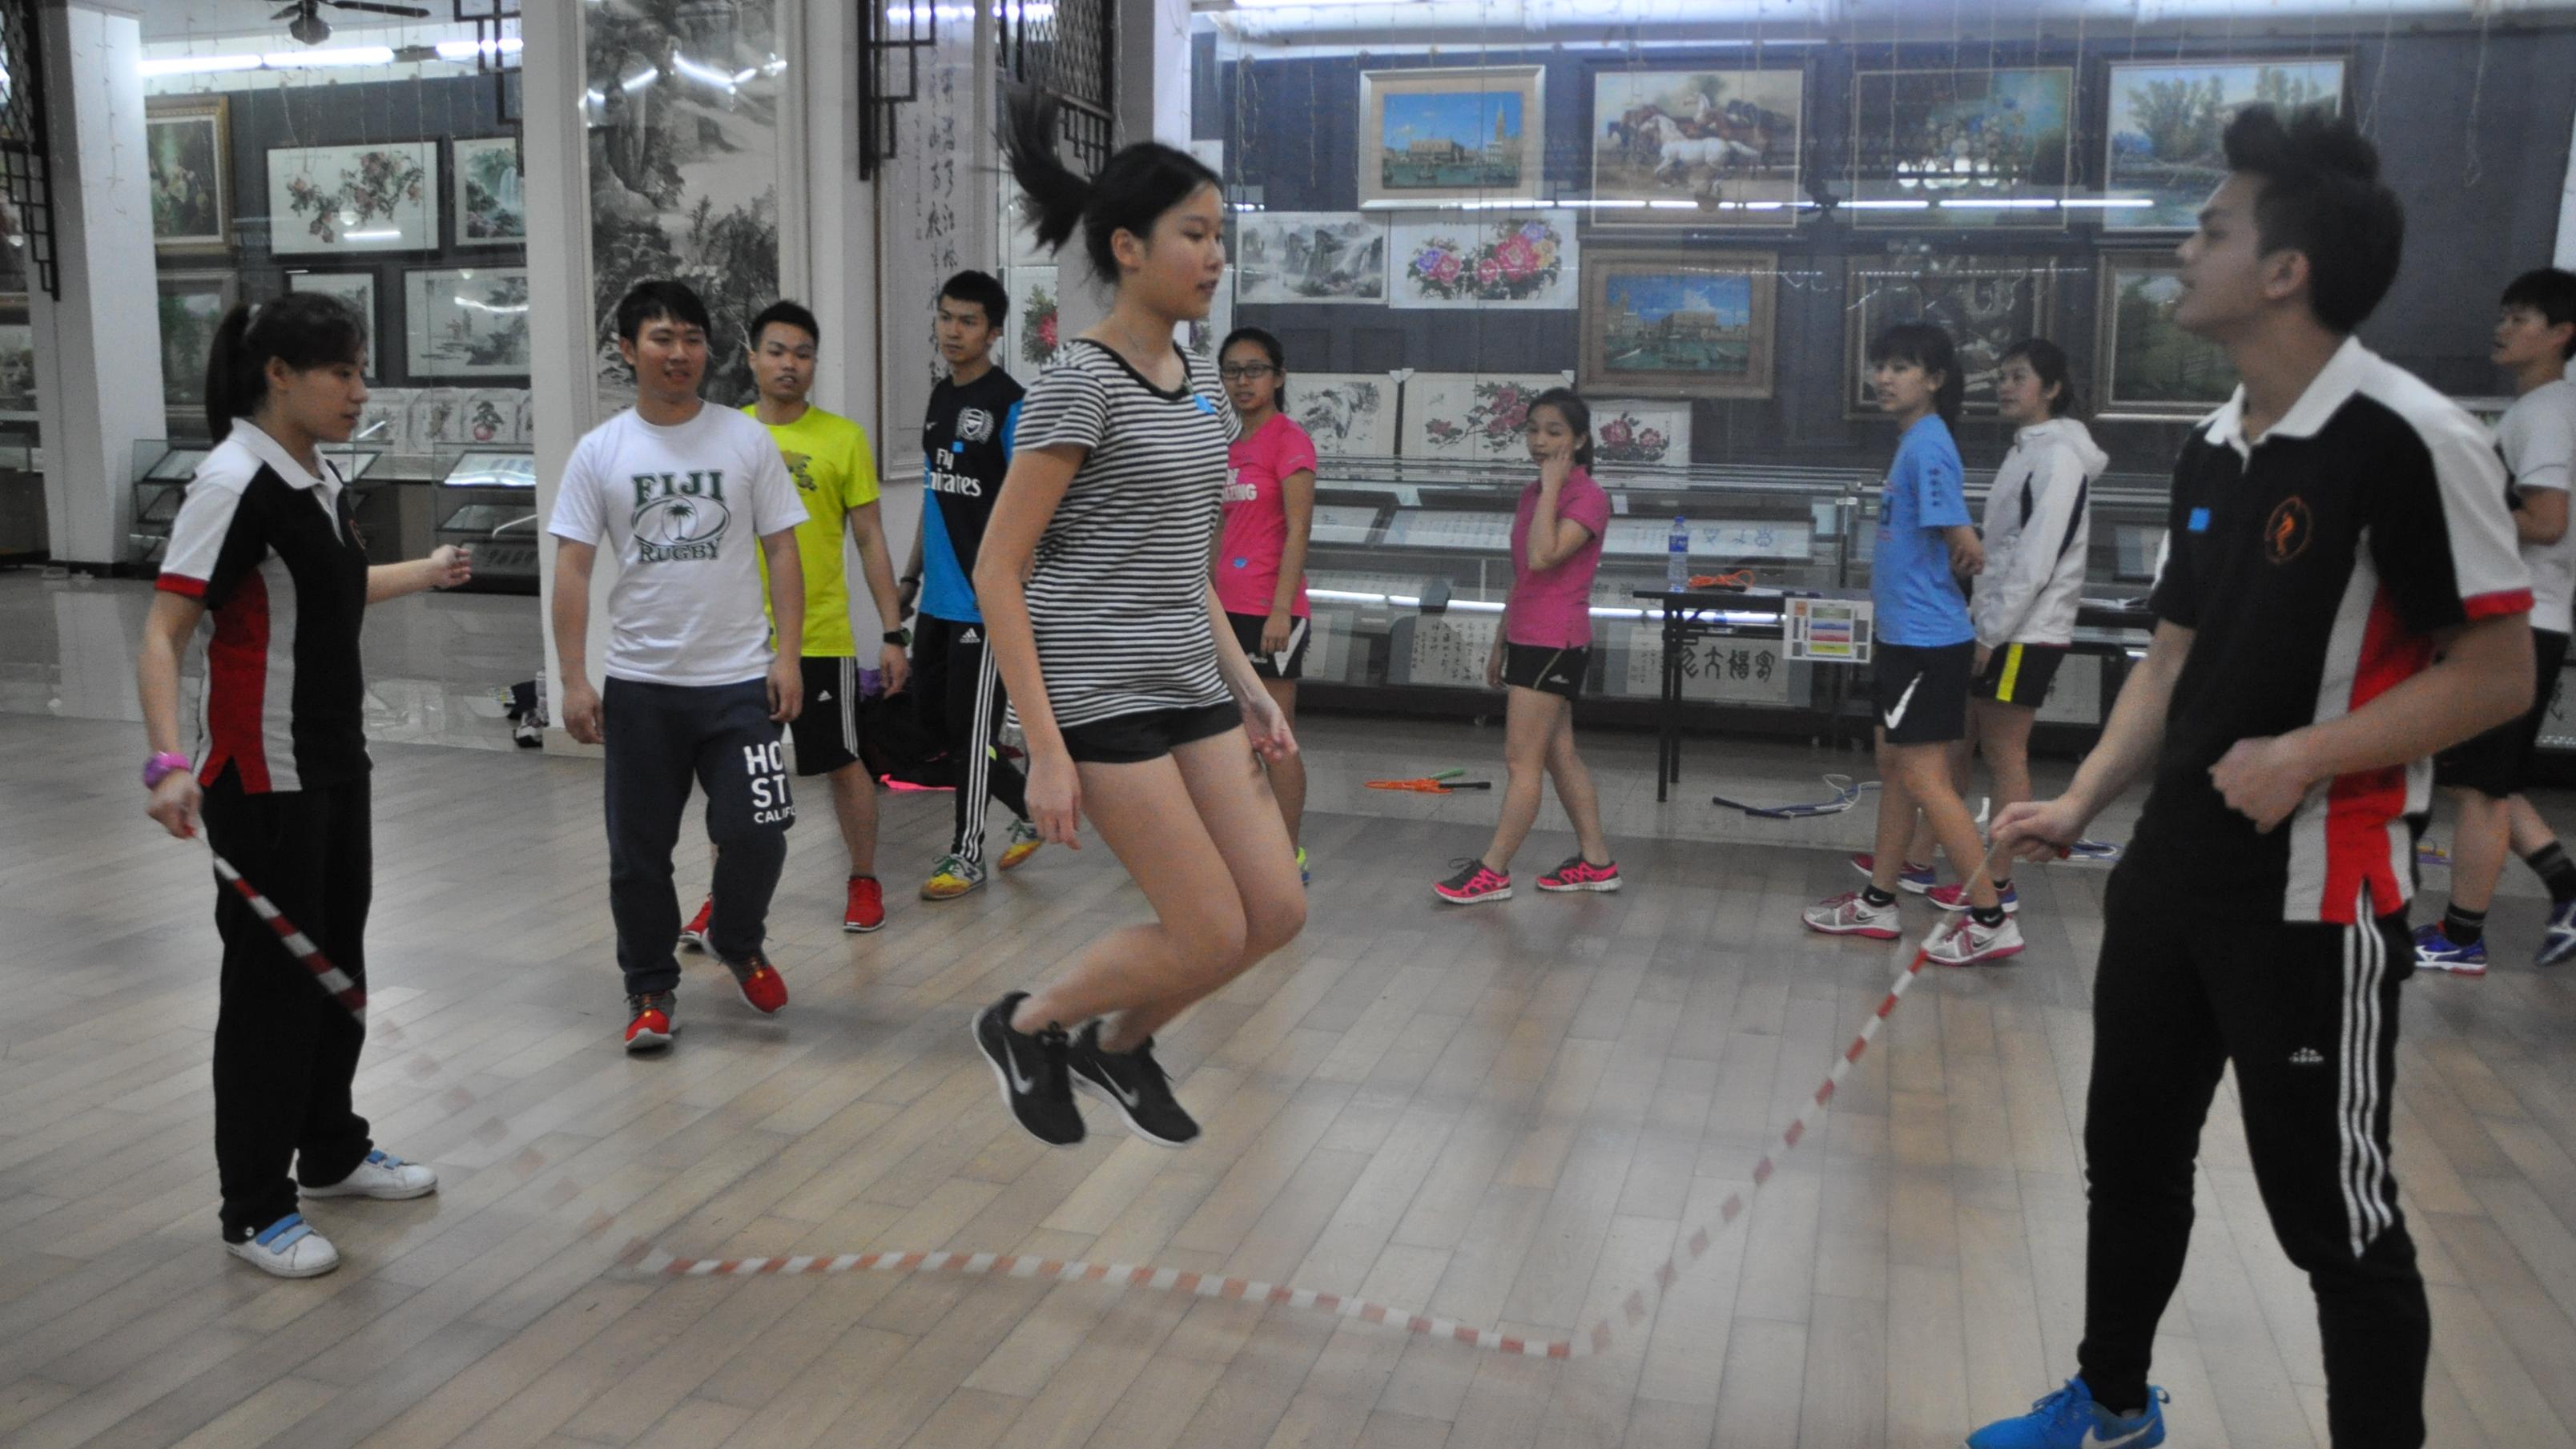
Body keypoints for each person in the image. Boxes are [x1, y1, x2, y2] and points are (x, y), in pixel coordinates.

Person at [1974, 107, 2532, 1449]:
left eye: (2213, 227)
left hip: (2314, 891)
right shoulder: (2215, 445)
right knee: (2130, 1156)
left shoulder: (2416, 438)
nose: (2186, 244)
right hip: (2171, 870)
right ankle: (2111, 1403)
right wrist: (2085, 794)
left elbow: (2499, 672)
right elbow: (2170, 663)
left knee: (2330, 1215)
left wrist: (2307, 754)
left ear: (2286, 269)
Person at [971, 93, 1306, 1150]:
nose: (1213, 258)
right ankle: (1026, 1025)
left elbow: (1181, 563)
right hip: (1098, 693)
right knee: (1209, 926)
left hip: (1189, 680)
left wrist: (1247, 684)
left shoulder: (1199, 377)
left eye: (1219, 237)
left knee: (1276, 912)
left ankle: (1115, 1048)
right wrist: (1046, 749)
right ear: (1129, 247)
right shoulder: (1080, 380)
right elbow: (999, 567)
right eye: (1193, 236)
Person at [137, 291, 471, 1278]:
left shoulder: (311, 472)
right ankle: (253, 1207)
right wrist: (165, 763)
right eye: (345, 373)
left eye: (361, 372)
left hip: (332, 761)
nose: (360, 393)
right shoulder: (231, 483)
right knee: (272, 995)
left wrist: (430, 568)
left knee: (338, 971)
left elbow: (328, 588)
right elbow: (164, 630)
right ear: (279, 374)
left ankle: (329, 1148)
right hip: (261, 776)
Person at [549, 280, 811, 1053]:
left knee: (759, 828)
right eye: (662, 338)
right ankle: (650, 988)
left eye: (693, 338)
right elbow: (571, 568)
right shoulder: (602, 451)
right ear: (629, 350)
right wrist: (573, 677)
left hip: (737, 681)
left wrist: (787, 656)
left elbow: (782, 548)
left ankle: (737, 934)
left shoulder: (744, 438)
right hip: (642, 687)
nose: (680, 353)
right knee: (639, 854)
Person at [673, 300, 909, 940]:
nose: (789, 364)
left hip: (819, 634)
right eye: (776, 351)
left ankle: (863, 879)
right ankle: (724, 897)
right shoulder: (722, 434)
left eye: (802, 354)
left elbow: (870, 541)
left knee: (840, 760)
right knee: (730, 774)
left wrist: (892, 633)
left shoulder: (842, 439)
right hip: (736, 641)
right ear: (751, 358)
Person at [1804, 323, 2015, 966]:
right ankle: (1878, 900)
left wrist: (1965, 539)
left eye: (1901, 366)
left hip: (1927, 643)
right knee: (1896, 771)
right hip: (1907, 639)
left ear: (1936, 379)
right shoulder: (1915, 442)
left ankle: (1988, 917)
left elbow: (1960, 532)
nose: (1884, 377)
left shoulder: (1928, 445)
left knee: (1924, 776)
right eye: (1881, 365)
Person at [1884, 338, 2107, 916]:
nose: (2006, 387)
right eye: (2002, 377)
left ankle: (1997, 879)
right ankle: (1921, 857)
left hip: (2025, 631)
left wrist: (1991, 631)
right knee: (1957, 740)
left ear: (2053, 388)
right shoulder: (2026, 449)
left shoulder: (2058, 456)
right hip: (1996, 622)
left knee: (2006, 751)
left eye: (2020, 377)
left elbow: (2036, 558)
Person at [2413, 268, 2576, 974]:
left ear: (2562, 334)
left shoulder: (2547, 411)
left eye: (2522, 318)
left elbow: (2545, 521)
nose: (2503, 327)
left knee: (2478, 789)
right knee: (2483, 780)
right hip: (2521, 618)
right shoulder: (2540, 410)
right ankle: (2567, 888)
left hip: (2522, 622)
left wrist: (2456, 511)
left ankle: (2462, 935)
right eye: (2504, 315)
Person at [1431, 386, 1621, 904]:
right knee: (1560, 754)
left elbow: (1542, 556)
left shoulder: (1587, 496)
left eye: (1554, 432)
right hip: (1528, 637)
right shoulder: (1533, 494)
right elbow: (1522, 577)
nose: (1540, 441)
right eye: (1533, 430)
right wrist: (1500, 641)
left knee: (1522, 762)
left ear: (1580, 440)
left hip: (1555, 639)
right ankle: (1597, 861)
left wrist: (1555, 484)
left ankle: (1493, 869)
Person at [900, 269, 1044, 902]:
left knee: (972, 735)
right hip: (935, 597)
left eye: (968, 321)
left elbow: (1036, 508)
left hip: (985, 605)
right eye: (946, 317)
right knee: (933, 729)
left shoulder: (1012, 403)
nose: (954, 331)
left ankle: (967, 855)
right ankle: (1032, 804)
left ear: (994, 331)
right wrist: (910, 576)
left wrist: (1014, 598)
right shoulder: (940, 396)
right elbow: (936, 495)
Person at [1216, 326, 1319, 880]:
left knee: (1275, 737)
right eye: (1232, 371)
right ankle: (1248, 852)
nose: (1243, 381)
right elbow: (1218, 530)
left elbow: (1299, 529)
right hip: (1226, 612)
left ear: (1279, 377)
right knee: (1233, 741)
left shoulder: (1289, 440)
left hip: (1271, 613)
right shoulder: (1228, 446)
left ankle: (1288, 854)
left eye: (1255, 369)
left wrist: (1282, 608)